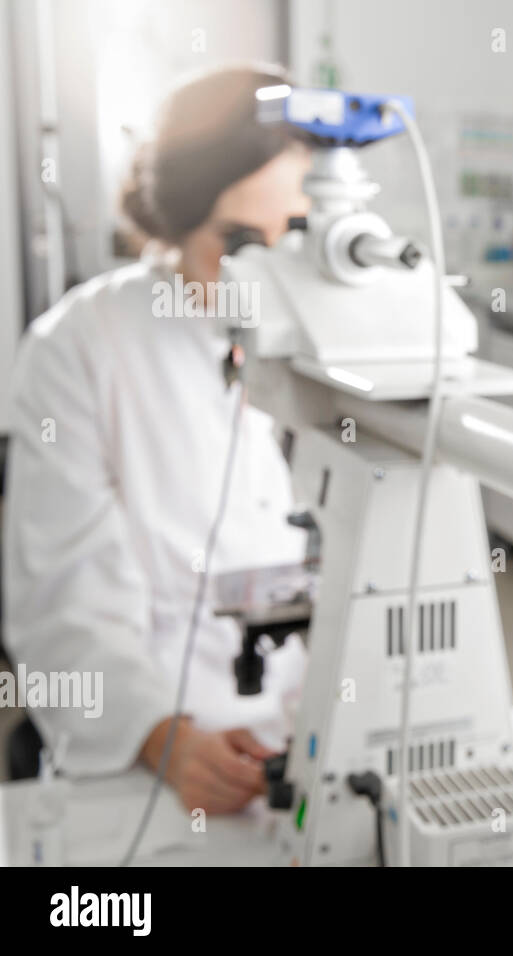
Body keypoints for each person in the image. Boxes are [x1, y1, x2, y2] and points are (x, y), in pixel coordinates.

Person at [3, 66, 312, 813]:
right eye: (237, 246)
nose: (260, 281)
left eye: (291, 240)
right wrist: (161, 738)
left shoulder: (313, 339)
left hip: (297, 719)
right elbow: (62, 602)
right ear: (177, 221)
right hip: (150, 741)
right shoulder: (78, 347)